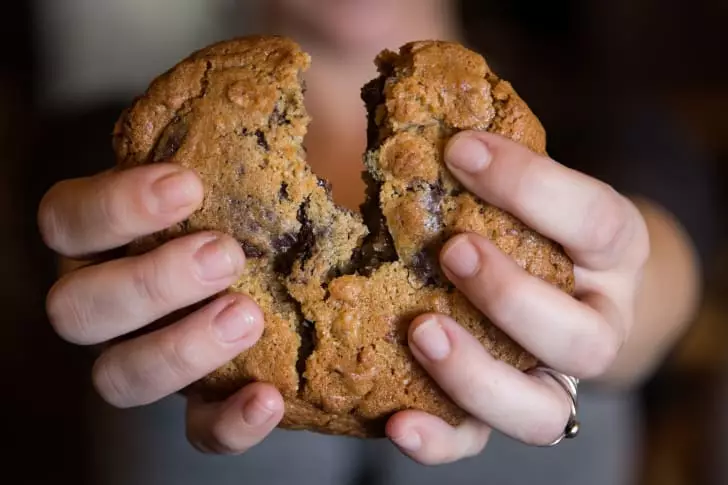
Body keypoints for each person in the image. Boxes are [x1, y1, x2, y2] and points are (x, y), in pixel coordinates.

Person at [36, 1, 719, 484]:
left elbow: (658, 260)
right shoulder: (124, 155)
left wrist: (618, 312)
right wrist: (93, 284)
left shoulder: (598, 132)